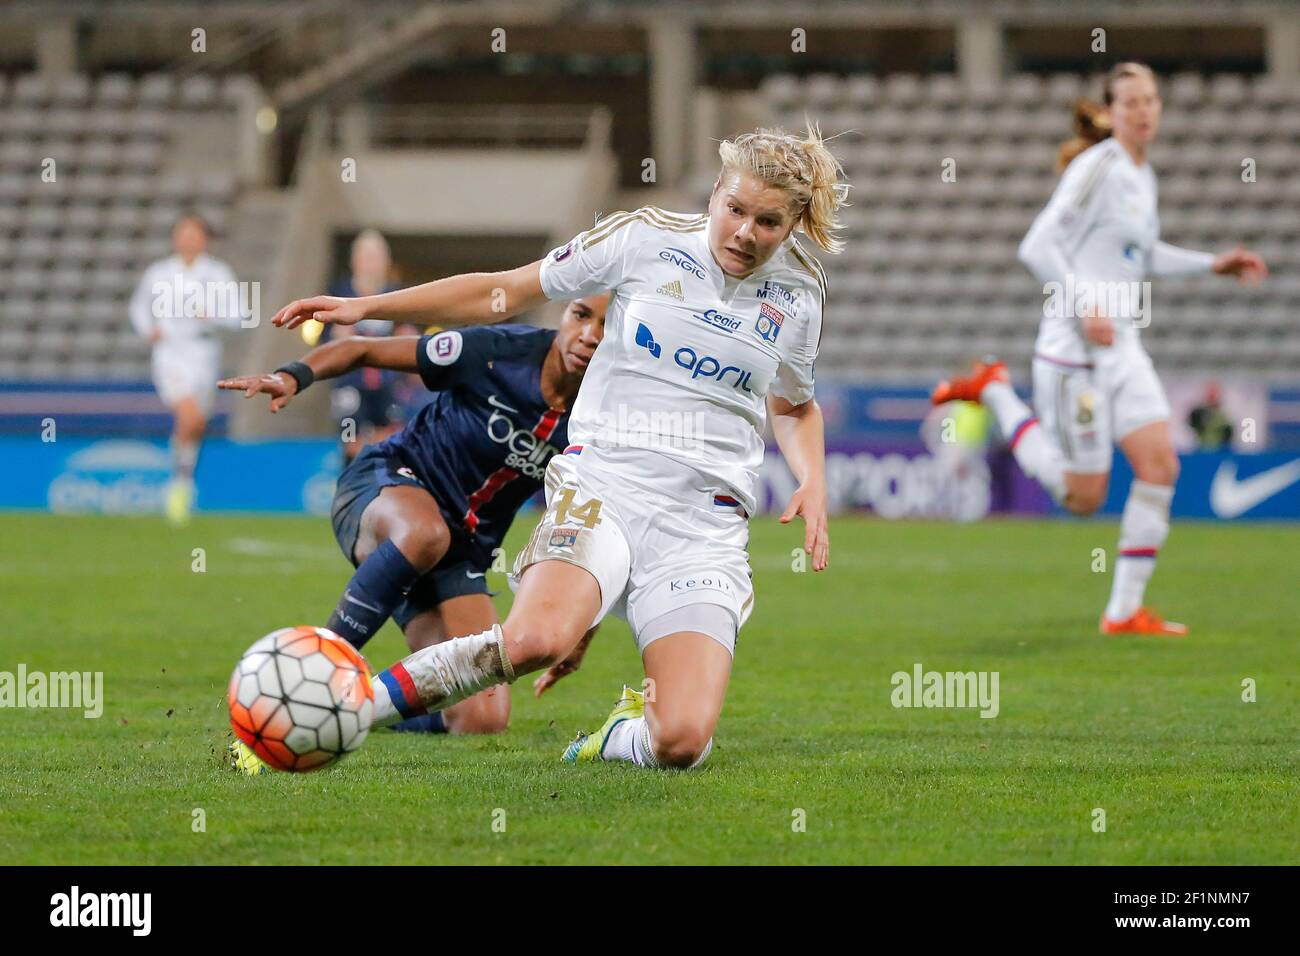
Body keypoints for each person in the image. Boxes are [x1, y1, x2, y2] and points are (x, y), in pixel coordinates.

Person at [270, 124, 847, 769]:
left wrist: (812, 479)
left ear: (794, 223)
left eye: (767, 222)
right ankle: (337, 711)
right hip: (604, 485)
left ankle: (616, 737)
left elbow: (794, 406)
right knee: (535, 639)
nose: (744, 232)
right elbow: (507, 290)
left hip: (704, 522)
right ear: (715, 195)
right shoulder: (643, 238)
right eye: (735, 210)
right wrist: (367, 306)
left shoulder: (800, 292)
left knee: (682, 741)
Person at [932, 62, 1267, 636]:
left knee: (1160, 464)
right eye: (1131, 102)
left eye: (1151, 100)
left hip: (1123, 349)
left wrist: (1213, 263)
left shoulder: (1143, 175)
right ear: (1110, 113)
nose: (1143, 111)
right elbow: (1036, 243)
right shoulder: (1099, 167)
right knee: (1084, 496)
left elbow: (1143, 254)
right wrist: (1084, 303)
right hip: (1075, 357)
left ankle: (1123, 612)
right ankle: (997, 393)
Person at [219, 296, 608, 773]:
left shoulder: (605, 417)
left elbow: (592, 526)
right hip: (387, 489)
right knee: (426, 532)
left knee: (480, 716)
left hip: (460, 551)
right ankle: (300, 679)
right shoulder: (495, 350)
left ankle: (334, 718)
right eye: (582, 314)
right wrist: (291, 376)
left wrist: (581, 635)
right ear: (564, 313)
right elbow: (360, 350)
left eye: (609, 324)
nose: (590, 334)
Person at [128, 212, 245, 525]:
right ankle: (180, 486)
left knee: (195, 425)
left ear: (205, 238)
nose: (189, 239)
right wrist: (147, 329)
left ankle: (182, 475)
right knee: (189, 414)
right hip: (170, 353)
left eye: (195, 233)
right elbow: (139, 307)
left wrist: (213, 316)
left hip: (204, 352)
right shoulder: (160, 273)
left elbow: (239, 315)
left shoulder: (218, 273)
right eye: (183, 233)